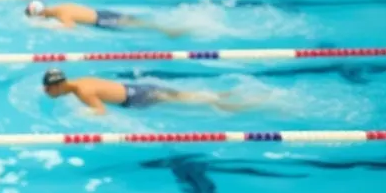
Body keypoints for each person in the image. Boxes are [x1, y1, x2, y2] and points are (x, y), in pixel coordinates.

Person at [40, 68, 249, 114]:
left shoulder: (83, 92)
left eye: (49, 89)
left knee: (191, 102)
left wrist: (83, 112)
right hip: (138, 89)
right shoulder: (80, 80)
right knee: (186, 96)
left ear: (58, 86)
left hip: (139, 97)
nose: (46, 92)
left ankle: (232, 104)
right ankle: (224, 96)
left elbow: (102, 112)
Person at [25, 0, 187, 37]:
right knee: (140, 22)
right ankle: (168, 27)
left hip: (103, 22)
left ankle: (169, 29)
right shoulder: (61, 6)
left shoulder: (61, 14)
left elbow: (70, 26)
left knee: (140, 26)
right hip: (102, 13)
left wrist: (46, 27)